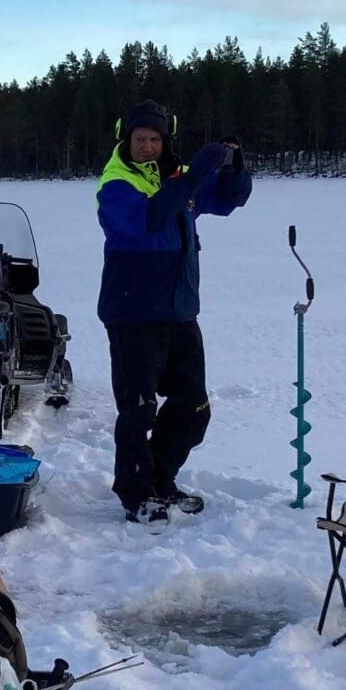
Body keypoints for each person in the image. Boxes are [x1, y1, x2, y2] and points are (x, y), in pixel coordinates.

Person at [95, 100, 252, 524]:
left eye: (155, 139)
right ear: (126, 140)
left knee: (192, 406)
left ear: (166, 142)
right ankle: (136, 493)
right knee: (138, 409)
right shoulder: (116, 183)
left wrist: (234, 166)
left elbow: (229, 199)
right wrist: (195, 176)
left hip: (180, 312)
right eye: (140, 139)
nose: (147, 146)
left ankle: (162, 480)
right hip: (133, 313)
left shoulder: (176, 178)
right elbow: (150, 219)